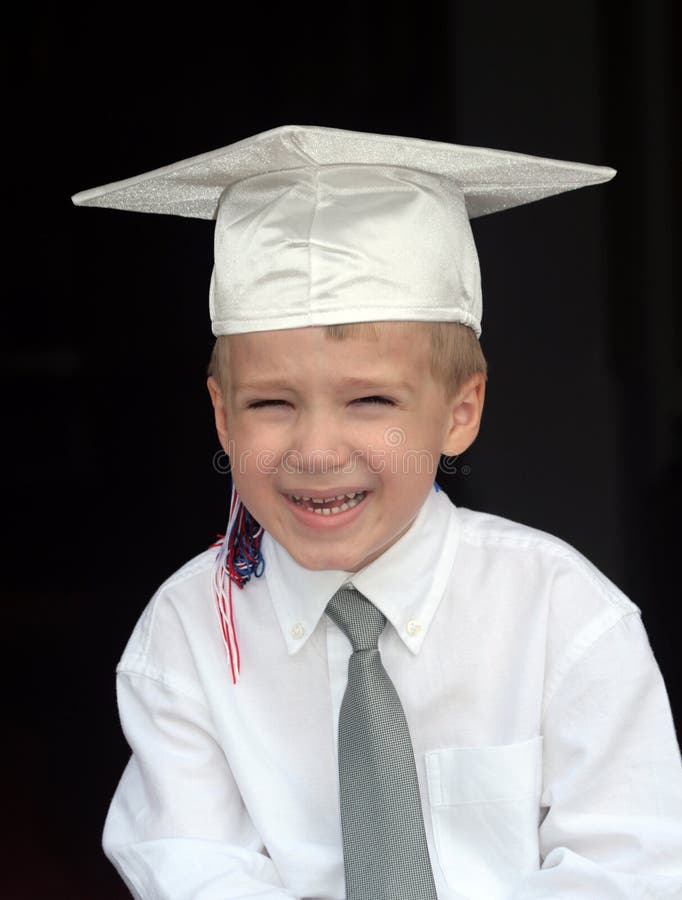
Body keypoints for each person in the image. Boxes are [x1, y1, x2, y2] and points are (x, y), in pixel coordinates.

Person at [72, 125, 682, 899]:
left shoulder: (563, 615)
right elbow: (191, 867)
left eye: (370, 401)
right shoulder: (189, 635)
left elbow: (629, 867)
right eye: (270, 403)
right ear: (222, 417)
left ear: (460, 413)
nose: (318, 449)